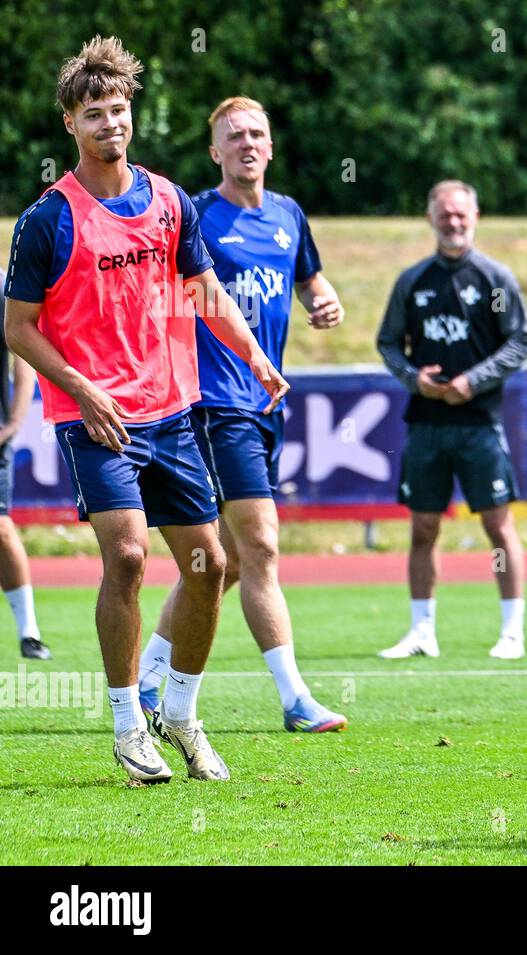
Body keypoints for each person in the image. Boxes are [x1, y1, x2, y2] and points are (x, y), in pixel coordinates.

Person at [3, 36, 289, 783]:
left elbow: (203, 289)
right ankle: (129, 724)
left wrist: (254, 354)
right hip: (95, 419)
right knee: (126, 558)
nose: (111, 123)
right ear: (71, 123)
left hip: (170, 412)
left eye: (120, 109)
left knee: (209, 565)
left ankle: (183, 714)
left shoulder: (166, 200)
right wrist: (83, 388)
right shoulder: (46, 220)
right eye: (94, 112)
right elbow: (17, 326)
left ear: (134, 114)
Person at [136, 96, 347, 733]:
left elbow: (309, 278)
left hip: (265, 405)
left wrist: (323, 297)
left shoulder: (288, 215)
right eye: (234, 136)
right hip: (214, 404)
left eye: (257, 133)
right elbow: (157, 290)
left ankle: (147, 673)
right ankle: (294, 699)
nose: (247, 143)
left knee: (216, 563)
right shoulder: (195, 215)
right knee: (261, 546)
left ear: (271, 145)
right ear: (215, 151)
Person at [376, 180, 527, 659]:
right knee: (423, 528)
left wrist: (474, 380)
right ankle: (422, 631)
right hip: (425, 423)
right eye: (445, 214)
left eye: (461, 214)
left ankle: (512, 631)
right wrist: (413, 378)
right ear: (431, 217)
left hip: (480, 423)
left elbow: (519, 341)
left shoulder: (494, 280)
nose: (454, 222)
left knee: (497, 526)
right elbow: (388, 343)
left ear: (475, 216)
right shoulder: (413, 282)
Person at [0, 272, 50, 660]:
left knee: (1, 528)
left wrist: (14, 423)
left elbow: (23, 354)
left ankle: (29, 633)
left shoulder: (6, 285)